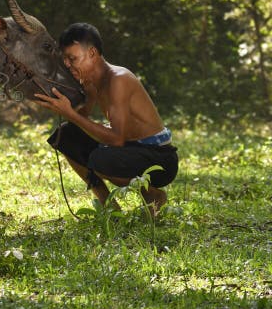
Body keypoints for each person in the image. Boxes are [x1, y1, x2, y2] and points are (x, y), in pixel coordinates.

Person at [34, 23, 178, 215]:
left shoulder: (119, 79)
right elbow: (81, 121)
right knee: (66, 134)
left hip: (159, 159)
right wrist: (81, 101)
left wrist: (70, 113)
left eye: (72, 58)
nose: (68, 65)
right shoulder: (93, 81)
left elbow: (116, 139)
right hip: (131, 150)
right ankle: (107, 204)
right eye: (65, 60)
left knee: (100, 159)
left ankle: (152, 194)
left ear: (92, 53)